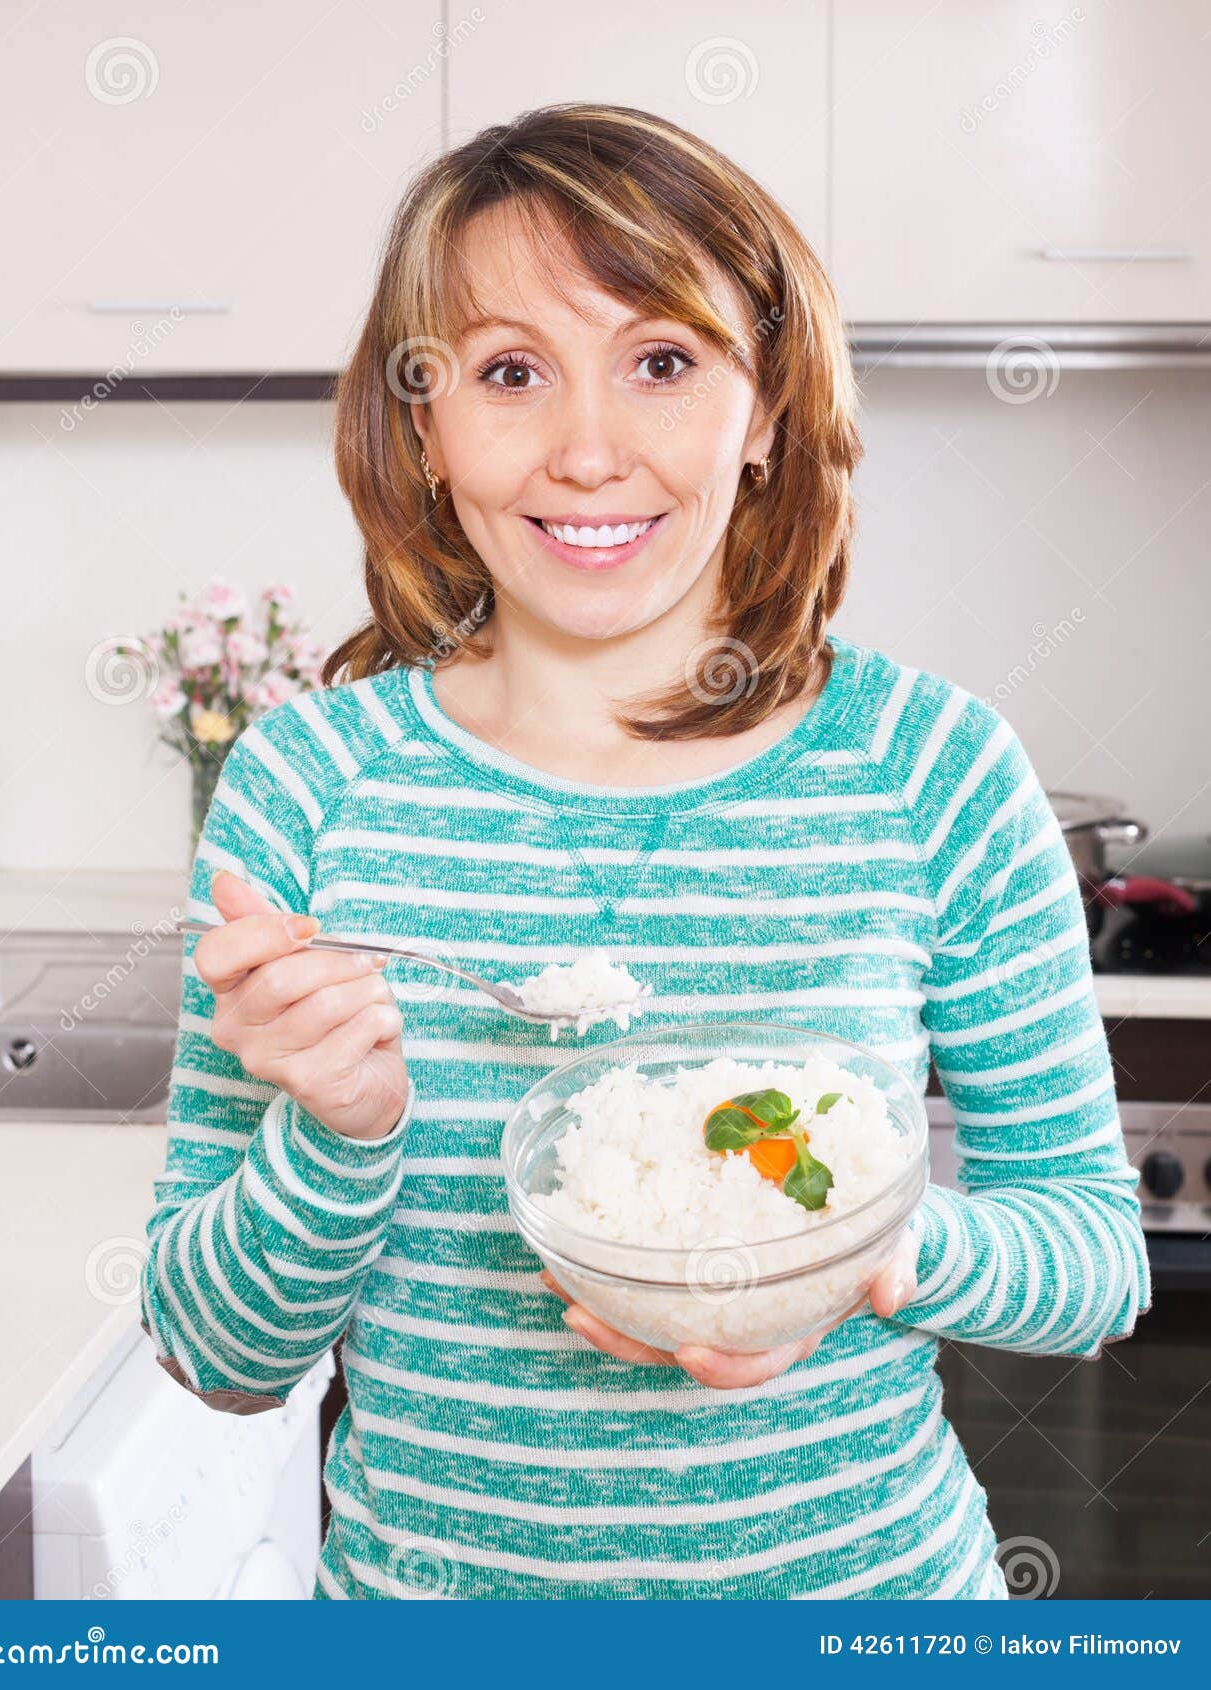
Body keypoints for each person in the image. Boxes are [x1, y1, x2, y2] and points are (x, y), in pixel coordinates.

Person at [140, 104, 1149, 1600]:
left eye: (663, 362)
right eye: (508, 371)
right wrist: (338, 1132)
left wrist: (870, 1247)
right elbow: (213, 1357)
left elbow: (1095, 1261)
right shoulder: (311, 784)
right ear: (424, 426)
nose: (589, 448)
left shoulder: (931, 768)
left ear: (766, 412)